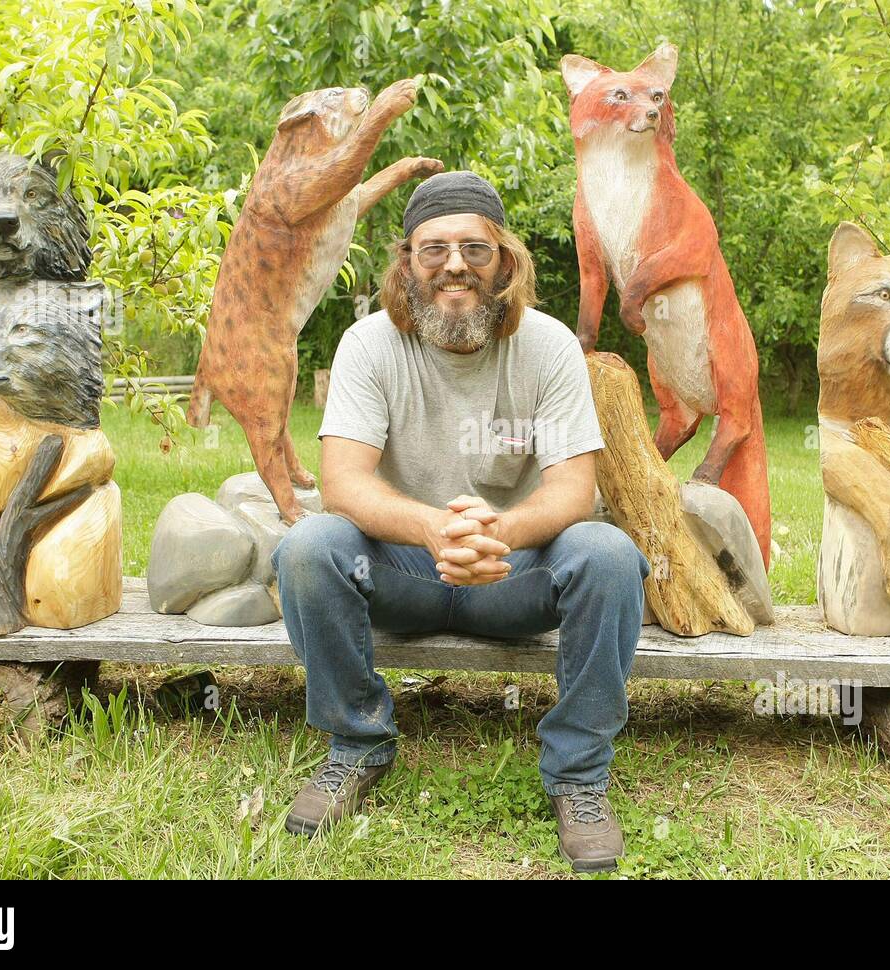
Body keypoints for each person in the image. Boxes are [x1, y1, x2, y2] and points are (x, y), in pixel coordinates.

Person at [272, 171, 650, 872]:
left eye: (475, 250)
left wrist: (496, 534)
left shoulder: (548, 345)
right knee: (309, 546)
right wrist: (433, 531)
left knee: (606, 552)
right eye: (434, 248)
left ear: (505, 262)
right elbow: (344, 482)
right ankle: (357, 744)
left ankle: (578, 774)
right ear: (407, 262)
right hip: (402, 572)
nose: (455, 265)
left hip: (514, 577)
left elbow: (572, 489)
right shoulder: (368, 345)